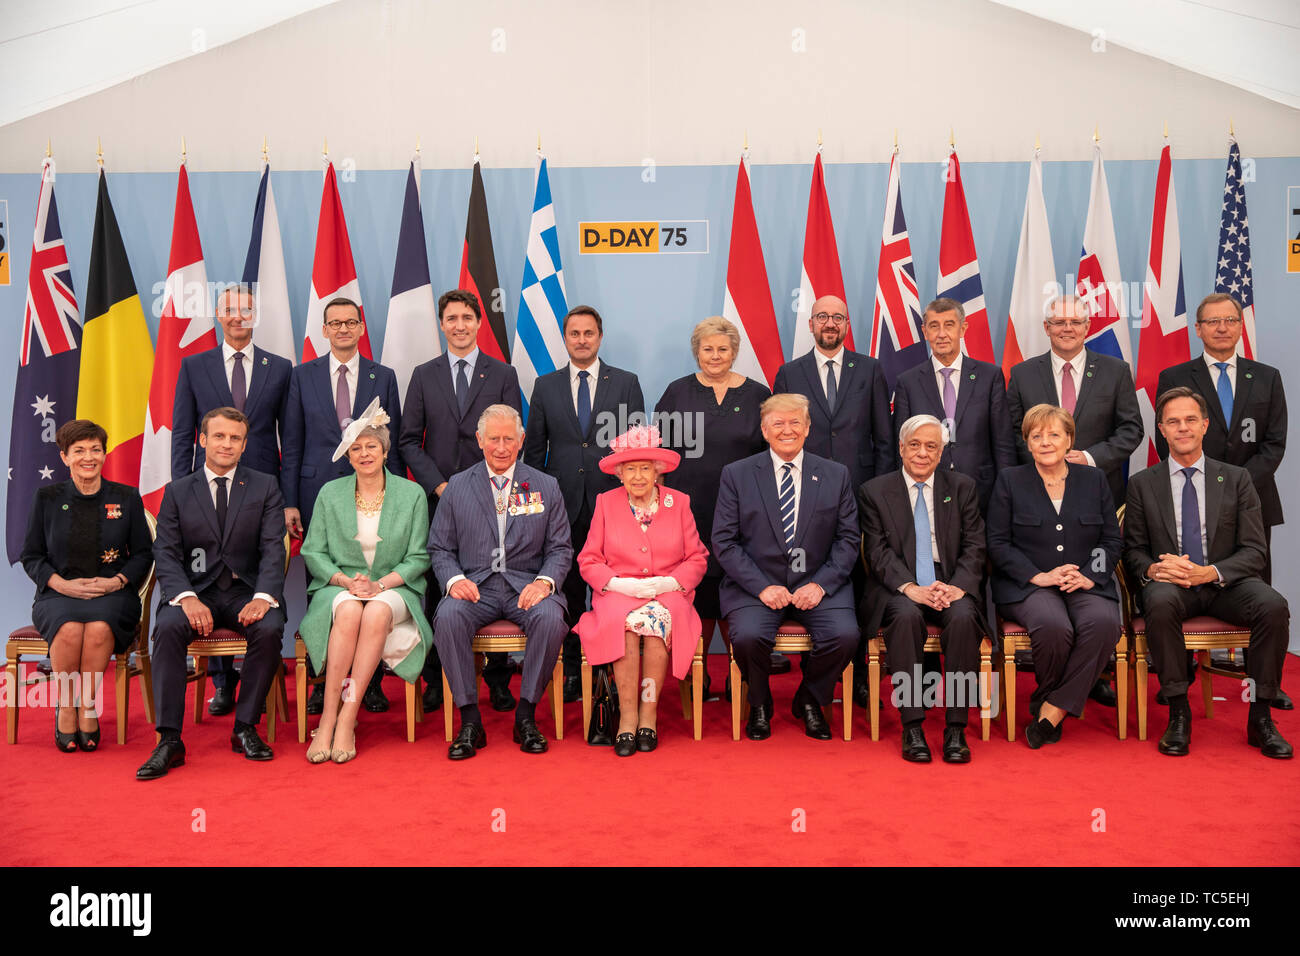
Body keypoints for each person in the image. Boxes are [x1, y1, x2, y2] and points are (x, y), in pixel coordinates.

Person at [1123, 387, 1292, 759]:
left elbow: (1254, 551)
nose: (1182, 428)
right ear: (1162, 430)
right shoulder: (1142, 484)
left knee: (1273, 606)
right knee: (1161, 603)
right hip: (1171, 584)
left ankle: (1261, 716)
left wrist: (1209, 572)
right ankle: (1179, 711)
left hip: (1224, 583)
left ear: (1204, 425)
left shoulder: (1236, 479)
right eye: (1172, 422)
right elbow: (1132, 549)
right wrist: (1154, 567)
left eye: (1189, 420)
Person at [1155, 293, 1290, 710]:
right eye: (1212, 322)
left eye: (1229, 320)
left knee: (1257, 590)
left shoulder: (1266, 376)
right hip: (1190, 497)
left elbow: (1274, 442)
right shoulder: (1176, 374)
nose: (1221, 328)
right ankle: (1181, 675)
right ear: (1198, 329)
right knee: (1183, 586)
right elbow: (1172, 442)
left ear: (1240, 325)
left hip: (1253, 499)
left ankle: (1261, 683)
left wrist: (1236, 487)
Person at [137, 408, 287, 779]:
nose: (226, 444)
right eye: (219, 436)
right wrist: (186, 597)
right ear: (203, 440)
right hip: (195, 592)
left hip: (244, 592)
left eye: (235, 438)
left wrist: (263, 597)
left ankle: (245, 728)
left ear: (244, 444)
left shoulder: (264, 486)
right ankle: (169, 739)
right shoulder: (177, 491)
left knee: (269, 628)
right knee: (168, 628)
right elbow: (166, 552)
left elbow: (273, 548)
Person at [1006, 294, 1141, 708]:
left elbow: (1131, 431)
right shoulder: (1023, 373)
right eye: (1058, 321)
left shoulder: (1116, 371)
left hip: (1094, 496)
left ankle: (1089, 678)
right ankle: (1069, 686)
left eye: (1076, 322)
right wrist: (1042, 460)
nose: (1067, 328)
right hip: (1036, 500)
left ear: (1087, 327)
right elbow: (1010, 432)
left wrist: (1087, 459)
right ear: (1046, 328)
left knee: (1092, 594)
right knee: (1053, 609)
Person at [170, 284, 291, 716]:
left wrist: (289, 497)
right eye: (230, 311)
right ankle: (222, 682)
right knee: (210, 577)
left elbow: (288, 437)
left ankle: (253, 687)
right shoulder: (194, 366)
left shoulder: (280, 368)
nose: (239, 317)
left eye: (246, 310)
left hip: (260, 491)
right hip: (205, 493)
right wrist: (181, 492)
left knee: (246, 578)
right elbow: (183, 432)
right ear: (218, 316)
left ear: (255, 315)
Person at [428, 404, 573, 760]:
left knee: (552, 619)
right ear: (480, 440)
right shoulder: (458, 487)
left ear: (522, 440)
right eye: (494, 439)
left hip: (527, 585)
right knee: (447, 617)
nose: (502, 447)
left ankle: (525, 715)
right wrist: (454, 581)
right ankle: (470, 720)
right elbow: (440, 548)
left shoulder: (545, 486)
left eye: (510, 438)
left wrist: (543, 583)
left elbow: (560, 549)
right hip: (476, 587)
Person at [712, 393, 859, 741]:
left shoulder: (836, 475)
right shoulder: (737, 475)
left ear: (808, 427)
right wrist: (762, 586)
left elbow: (849, 540)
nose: (787, 429)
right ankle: (760, 703)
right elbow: (724, 542)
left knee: (845, 635)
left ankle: (809, 700)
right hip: (757, 585)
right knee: (748, 637)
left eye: (795, 422)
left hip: (818, 584)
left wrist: (820, 585)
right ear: (765, 430)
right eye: (778, 423)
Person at [401, 289, 522, 714]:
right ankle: (438, 677)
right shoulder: (424, 374)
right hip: (441, 499)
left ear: (478, 323)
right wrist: (439, 486)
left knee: (497, 578)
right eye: (451, 318)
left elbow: (512, 435)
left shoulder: (502, 373)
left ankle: (498, 678)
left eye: (467, 318)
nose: (459, 325)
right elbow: (407, 440)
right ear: (442, 323)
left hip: (494, 501)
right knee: (442, 587)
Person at [282, 296, 404, 715]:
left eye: (351, 322)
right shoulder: (303, 376)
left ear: (361, 327)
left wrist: (399, 493)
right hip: (318, 492)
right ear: (324, 329)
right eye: (335, 323)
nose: (343, 330)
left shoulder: (382, 375)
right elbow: (293, 442)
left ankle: (368, 683)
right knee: (328, 585)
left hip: (375, 489)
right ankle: (324, 679)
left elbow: (395, 440)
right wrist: (290, 502)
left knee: (374, 572)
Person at [523, 305, 646, 704]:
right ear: (565, 338)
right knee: (571, 590)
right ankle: (575, 667)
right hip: (561, 505)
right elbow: (533, 454)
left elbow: (636, 449)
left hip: (612, 504)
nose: (581, 340)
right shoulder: (545, 385)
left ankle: (610, 667)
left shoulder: (626, 383)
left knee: (613, 589)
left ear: (599, 336)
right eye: (574, 333)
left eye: (588, 333)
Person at [299, 400, 432, 763]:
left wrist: (379, 586)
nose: (364, 453)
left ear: (386, 451)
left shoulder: (412, 494)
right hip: (340, 587)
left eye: (371, 446)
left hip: (394, 588)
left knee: (374, 613)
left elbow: (419, 557)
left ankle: (348, 717)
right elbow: (313, 552)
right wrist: (344, 581)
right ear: (348, 455)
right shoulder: (330, 494)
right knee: (349, 615)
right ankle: (328, 717)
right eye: (355, 448)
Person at [986, 404, 1123, 749]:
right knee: (1052, 625)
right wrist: (1038, 576)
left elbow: (1110, 539)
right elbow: (997, 543)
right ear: (1027, 443)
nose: (1046, 442)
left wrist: (1091, 575)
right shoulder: (1010, 481)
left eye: (1054, 435)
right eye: (1037, 436)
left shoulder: (1094, 480)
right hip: (1029, 585)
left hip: (1085, 581)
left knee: (1104, 623)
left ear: (1069, 441)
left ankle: (1052, 707)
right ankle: (1057, 702)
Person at [858, 415, 988, 763]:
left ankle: (956, 727)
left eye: (931, 446)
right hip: (900, 586)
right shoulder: (875, 491)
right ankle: (912, 724)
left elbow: (975, 544)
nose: (922, 453)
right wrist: (909, 587)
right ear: (901, 448)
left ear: (942, 451)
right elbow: (877, 552)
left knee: (963, 620)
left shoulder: (962, 487)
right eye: (914, 445)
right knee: (904, 618)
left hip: (950, 583)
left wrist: (958, 586)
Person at [574, 426, 708, 755]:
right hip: (619, 594)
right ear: (619, 474)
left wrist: (668, 583)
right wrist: (619, 584)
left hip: (667, 593)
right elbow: (589, 560)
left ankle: (648, 715)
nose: (637, 476)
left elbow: (697, 557)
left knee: (656, 622)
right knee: (628, 627)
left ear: (657, 471)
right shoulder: (606, 503)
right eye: (630, 469)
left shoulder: (680, 503)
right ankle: (627, 719)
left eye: (645, 468)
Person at [654, 317, 770, 696]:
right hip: (689, 509)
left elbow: (771, 456)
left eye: (723, 349)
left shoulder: (758, 395)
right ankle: (695, 676)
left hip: (745, 512)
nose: (715, 355)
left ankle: (742, 678)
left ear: (734, 352)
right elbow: (661, 456)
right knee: (697, 589)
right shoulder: (676, 393)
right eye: (708, 349)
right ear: (697, 352)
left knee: (736, 587)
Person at [21, 420, 152, 752]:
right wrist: (61, 585)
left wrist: (116, 582)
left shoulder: (126, 497)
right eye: (79, 450)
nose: (88, 457)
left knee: (96, 629)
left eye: (95, 449)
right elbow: (32, 556)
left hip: (113, 593)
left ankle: (88, 704)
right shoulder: (47, 498)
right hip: (57, 593)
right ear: (65, 457)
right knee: (68, 630)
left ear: (104, 454)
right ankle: (66, 706)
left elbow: (143, 554)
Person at [891, 298, 1016, 515]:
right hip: (925, 491)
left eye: (949, 325)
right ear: (925, 331)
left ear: (962, 328)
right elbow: (900, 446)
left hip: (981, 490)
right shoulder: (907, 382)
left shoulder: (990, 377)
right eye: (934, 326)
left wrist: (1006, 492)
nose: (941, 334)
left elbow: (1003, 442)